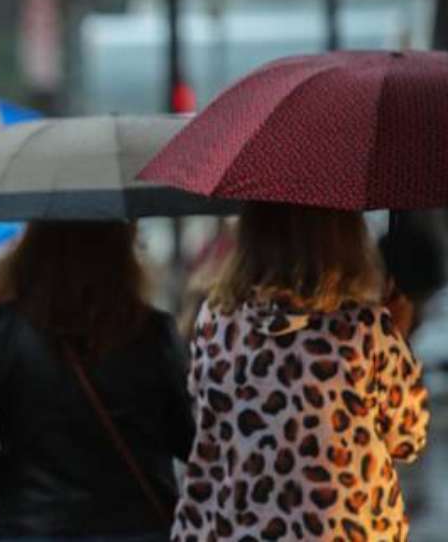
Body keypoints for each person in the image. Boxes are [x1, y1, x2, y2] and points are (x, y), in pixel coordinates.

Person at [172, 202, 429, 541]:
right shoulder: (363, 328)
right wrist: (398, 336)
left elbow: (209, 425)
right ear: (344, 237)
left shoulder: (215, 321)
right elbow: (408, 439)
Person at [0, 221, 194, 542]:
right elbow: (192, 440)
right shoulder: (153, 332)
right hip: (137, 526)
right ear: (121, 247)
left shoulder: (3, 331)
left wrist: (18, 487)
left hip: (34, 528)